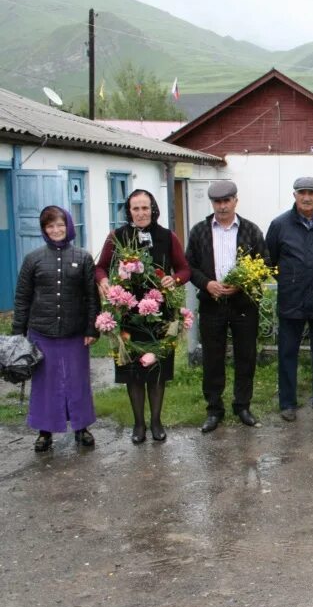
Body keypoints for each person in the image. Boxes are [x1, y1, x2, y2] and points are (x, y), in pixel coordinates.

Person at [96, 189, 191, 444]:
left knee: (157, 370)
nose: (140, 213)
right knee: (132, 371)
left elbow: (184, 268)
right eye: (135, 208)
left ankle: (156, 421)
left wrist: (176, 278)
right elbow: (100, 267)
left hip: (160, 314)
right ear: (129, 211)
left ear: (153, 209)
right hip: (126, 314)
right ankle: (138, 424)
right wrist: (104, 281)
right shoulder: (117, 237)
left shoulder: (167, 237)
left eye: (145, 208)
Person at [185, 180, 269, 433]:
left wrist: (242, 284)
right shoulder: (199, 231)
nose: (222, 206)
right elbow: (189, 266)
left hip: (243, 304)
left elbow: (264, 264)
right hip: (211, 304)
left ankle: (242, 405)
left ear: (235, 200)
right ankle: (214, 409)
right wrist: (207, 284)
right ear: (212, 203)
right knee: (213, 358)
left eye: (226, 201)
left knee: (246, 356)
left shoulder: (251, 230)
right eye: (217, 202)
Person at [12, 207, 99, 451]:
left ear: (68, 225)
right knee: (45, 384)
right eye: (50, 226)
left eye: (60, 225)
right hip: (42, 333)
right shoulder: (33, 259)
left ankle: (82, 428)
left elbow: (92, 298)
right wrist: (19, 334)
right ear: (44, 230)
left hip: (74, 332)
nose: (56, 230)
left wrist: (91, 329)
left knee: (77, 381)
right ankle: (44, 432)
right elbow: (22, 297)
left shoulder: (83, 257)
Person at [266, 177, 313, 421]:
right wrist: (290, 281)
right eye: (302, 193)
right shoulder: (279, 225)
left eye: (312, 192)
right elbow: (271, 260)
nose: (307, 197)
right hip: (292, 300)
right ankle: (287, 403)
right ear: (295, 195)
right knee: (288, 353)